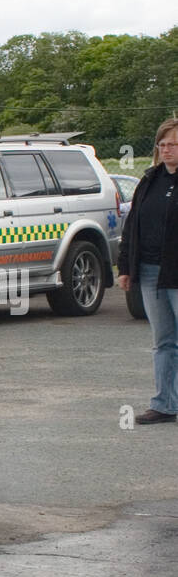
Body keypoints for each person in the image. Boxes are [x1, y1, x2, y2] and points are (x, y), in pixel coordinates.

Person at [119, 117, 178, 424]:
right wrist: (125, 266)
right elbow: (132, 226)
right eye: (163, 144)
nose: (167, 150)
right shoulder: (150, 180)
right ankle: (164, 404)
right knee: (164, 341)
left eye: (174, 144)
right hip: (151, 272)